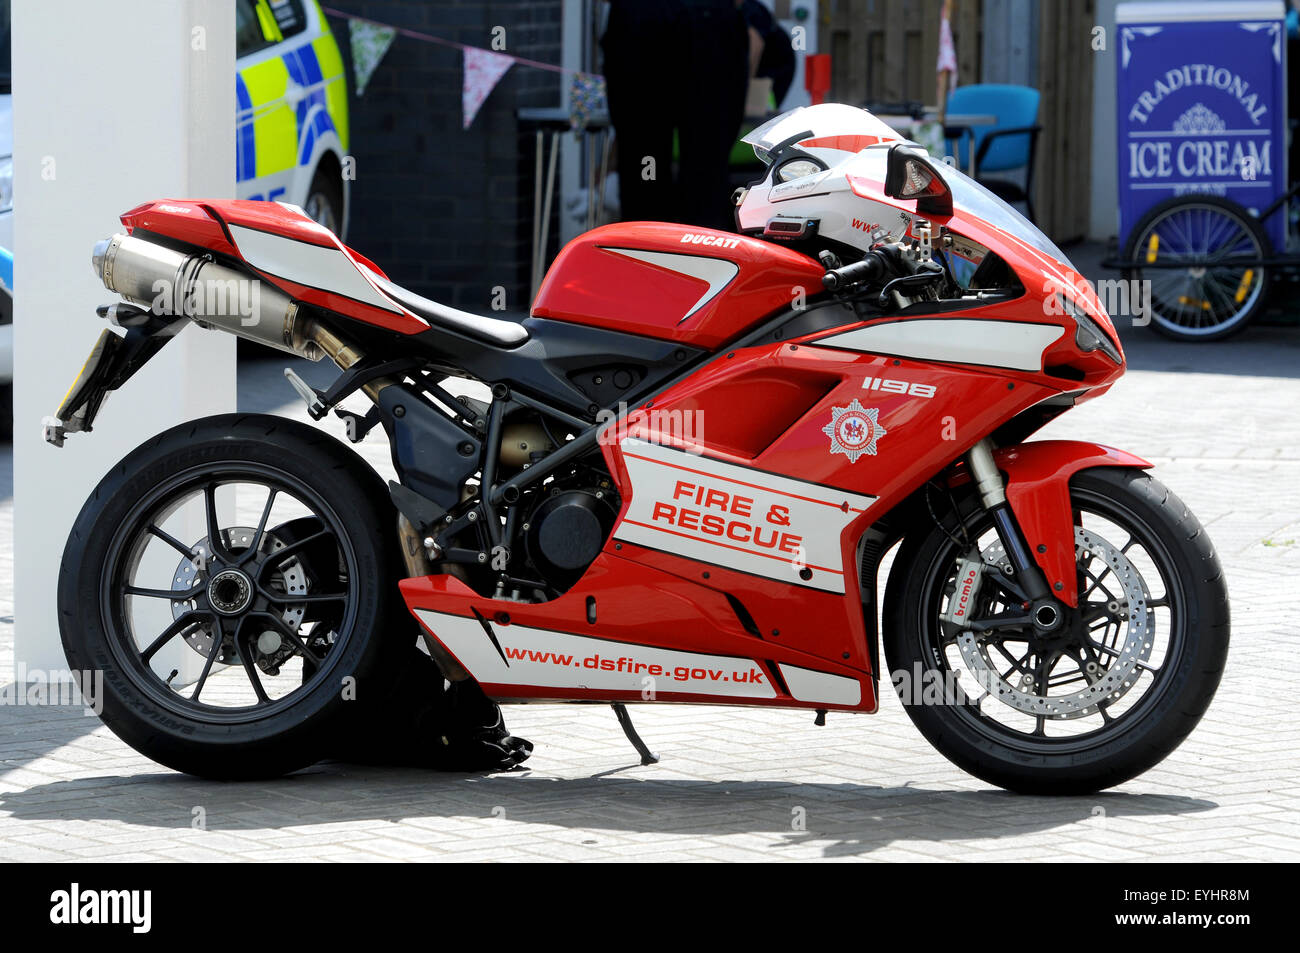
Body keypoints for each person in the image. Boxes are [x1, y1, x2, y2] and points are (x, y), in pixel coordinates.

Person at [602, 0, 749, 231]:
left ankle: (647, 250)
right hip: (708, 19)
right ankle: (703, 254)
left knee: (644, 156)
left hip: (643, 22)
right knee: (706, 160)